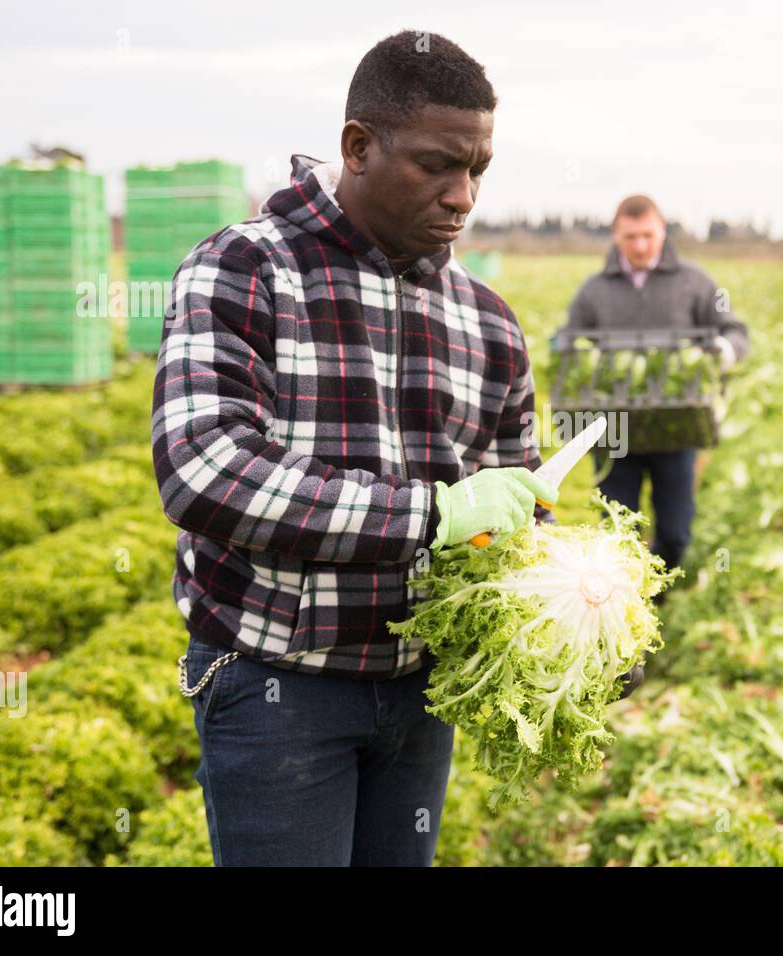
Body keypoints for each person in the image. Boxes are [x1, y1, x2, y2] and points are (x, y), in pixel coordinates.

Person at [151, 31, 564, 867]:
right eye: (438, 165)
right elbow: (204, 469)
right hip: (277, 686)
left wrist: (570, 616)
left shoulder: (488, 320)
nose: (463, 195)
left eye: (478, 169)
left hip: (419, 695)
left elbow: (518, 504)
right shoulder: (245, 268)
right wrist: (432, 512)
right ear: (358, 147)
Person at [561, 195, 750, 575]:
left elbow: (734, 329)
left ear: (663, 232)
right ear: (616, 236)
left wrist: (726, 348)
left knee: (676, 532)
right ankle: (624, 593)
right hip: (615, 429)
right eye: (631, 237)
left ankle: (661, 581)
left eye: (648, 235)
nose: (641, 245)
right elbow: (570, 337)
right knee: (616, 527)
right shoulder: (595, 290)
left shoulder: (694, 283)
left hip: (677, 424)